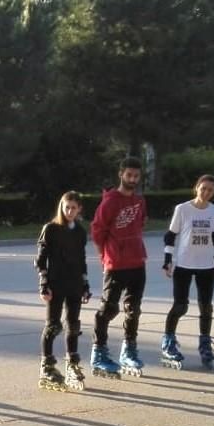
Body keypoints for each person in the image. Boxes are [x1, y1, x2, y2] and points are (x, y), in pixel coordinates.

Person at [90, 157, 148, 378]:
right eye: (129, 175)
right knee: (108, 309)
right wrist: (105, 255)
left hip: (137, 262)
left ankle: (129, 349)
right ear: (121, 174)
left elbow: (140, 224)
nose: (132, 179)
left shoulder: (140, 201)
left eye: (136, 176)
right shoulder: (110, 201)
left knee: (134, 309)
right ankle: (99, 351)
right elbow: (97, 231)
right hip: (115, 264)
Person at [159, 175, 214, 369]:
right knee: (180, 306)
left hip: (206, 265)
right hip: (184, 264)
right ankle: (168, 341)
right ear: (196, 188)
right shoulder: (183, 209)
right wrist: (167, 261)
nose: (206, 193)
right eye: (203, 188)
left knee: (206, 307)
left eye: (210, 190)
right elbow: (170, 236)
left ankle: (204, 344)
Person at [35, 191, 91, 390]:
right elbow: (41, 260)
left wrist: (85, 285)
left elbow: (82, 260)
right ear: (61, 206)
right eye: (66, 207)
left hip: (74, 284)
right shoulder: (50, 229)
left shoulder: (80, 232)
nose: (69, 211)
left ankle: (72, 366)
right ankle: (47, 367)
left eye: (73, 208)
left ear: (79, 209)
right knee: (53, 326)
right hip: (55, 283)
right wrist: (43, 284)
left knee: (73, 326)